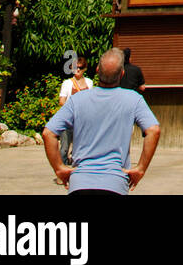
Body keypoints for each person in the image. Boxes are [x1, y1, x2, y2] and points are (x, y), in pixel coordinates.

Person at [43, 48, 160, 195]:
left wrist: (59, 168)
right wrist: (140, 168)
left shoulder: (77, 100)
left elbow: (48, 133)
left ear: (97, 70)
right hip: (115, 184)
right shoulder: (133, 99)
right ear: (122, 74)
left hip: (80, 184)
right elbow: (154, 130)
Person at [56, 55, 93, 165]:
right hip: (68, 120)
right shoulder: (67, 83)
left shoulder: (89, 83)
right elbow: (61, 101)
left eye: (80, 68)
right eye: (75, 67)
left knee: (80, 148)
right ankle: (61, 170)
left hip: (83, 121)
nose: (77, 70)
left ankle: (77, 171)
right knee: (64, 148)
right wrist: (73, 109)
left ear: (84, 69)